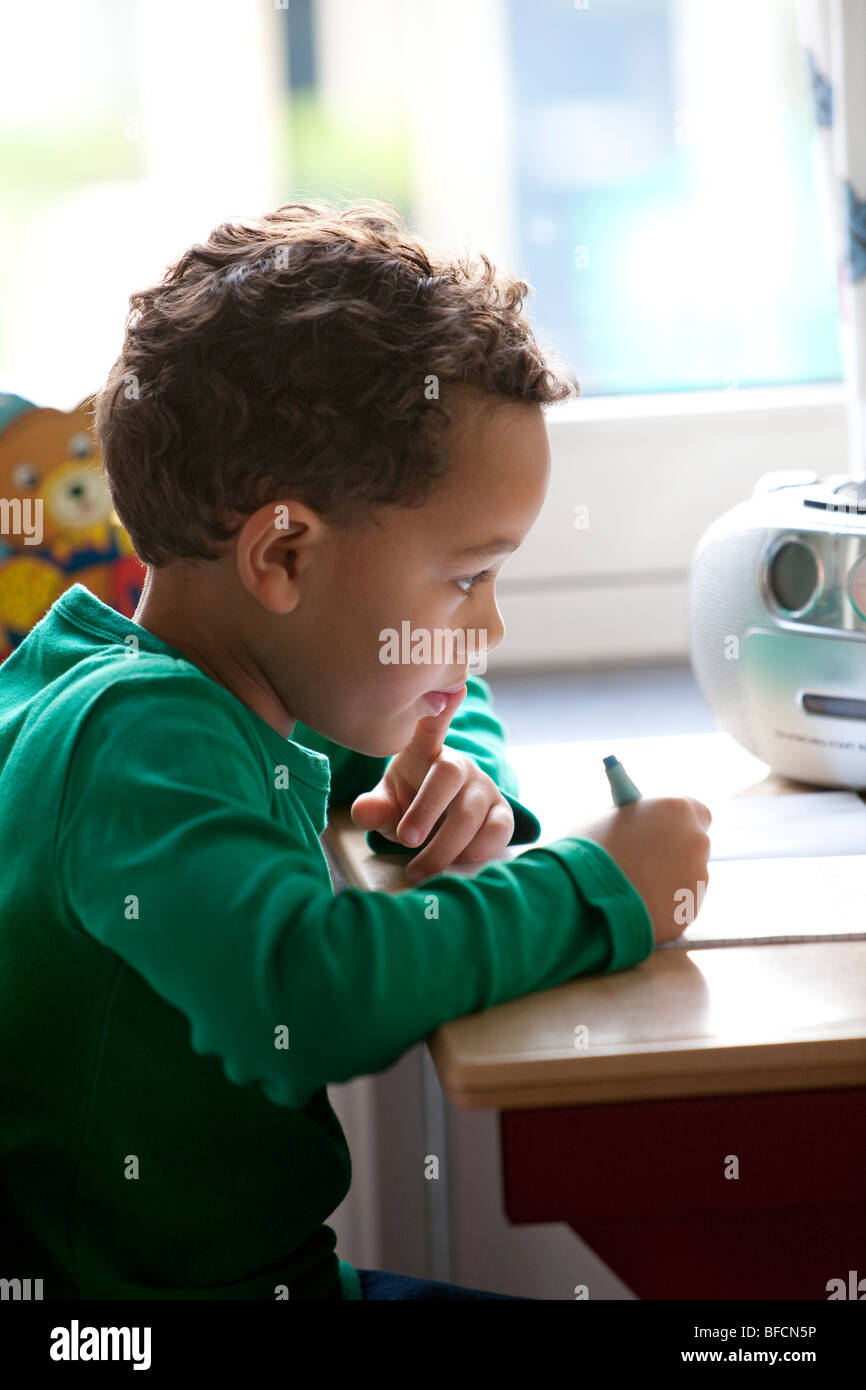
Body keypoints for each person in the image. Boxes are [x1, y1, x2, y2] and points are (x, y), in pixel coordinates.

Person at [0, 200, 711, 1299]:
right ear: (282, 554)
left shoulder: (168, 673)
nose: (487, 628)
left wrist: (454, 776)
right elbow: (300, 997)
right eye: (467, 576)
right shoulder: (142, 738)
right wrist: (598, 889)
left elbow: (428, 709)